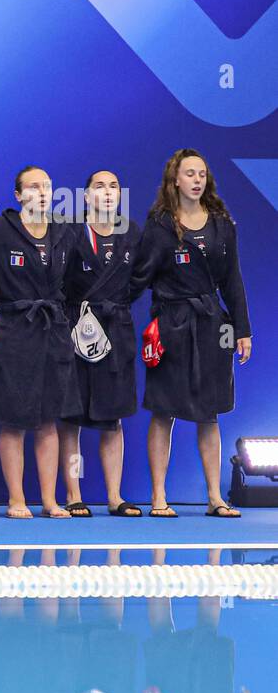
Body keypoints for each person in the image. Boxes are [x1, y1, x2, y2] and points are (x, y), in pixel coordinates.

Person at [130, 149, 251, 518]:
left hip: (212, 325)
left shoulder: (222, 224)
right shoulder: (159, 226)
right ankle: (158, 497)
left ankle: (215, 497)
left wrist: (242, 329)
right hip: (171, 325)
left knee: (209, 414)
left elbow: (232, 280)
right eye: (189, 174)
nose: (197, 180)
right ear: (175, 180)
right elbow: (139, 276)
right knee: (163, 412)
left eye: (202, 174)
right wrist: (104, 307)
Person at [0, 166, 80, 518]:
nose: (42, 192)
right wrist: (0, 293)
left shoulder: (63, 231)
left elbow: (73, 279)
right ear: (18, 195)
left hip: (53, 332)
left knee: (48, 420)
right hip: (14, 331)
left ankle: (49, 500)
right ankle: (16, 499)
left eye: (46, 186)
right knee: (13, 420)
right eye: (33, 187)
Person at [57, 170, 142, 517]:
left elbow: (140, 279)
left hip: (116, 329)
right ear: (86, 196)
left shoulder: (132, 233)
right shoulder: (69, 231)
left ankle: (115, 496)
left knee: (113, 418)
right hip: (75, 328)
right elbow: (54, 277)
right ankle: (74, 493)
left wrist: (116, 306)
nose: (107, 192)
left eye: (113, 186)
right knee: (71, 419)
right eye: (99, 186)